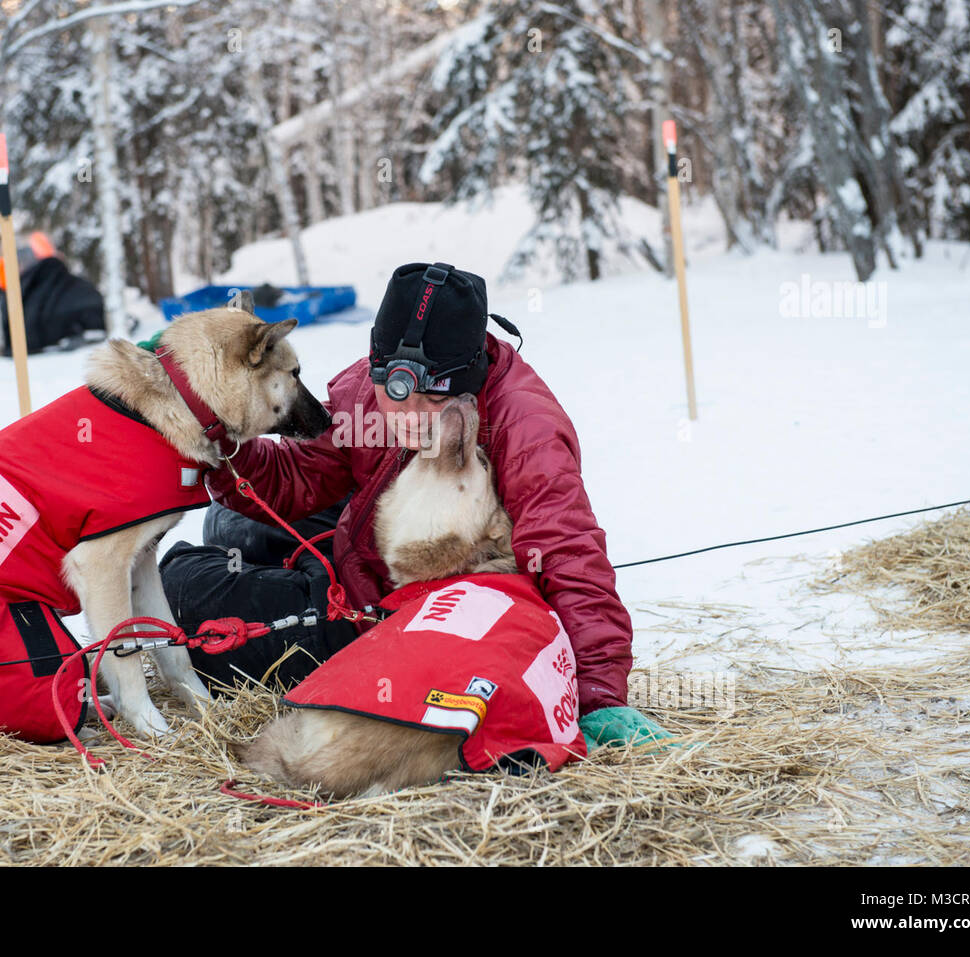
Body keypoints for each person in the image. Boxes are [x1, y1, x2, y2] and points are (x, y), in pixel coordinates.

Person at [159, 262, 670, 750]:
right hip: (368, 541)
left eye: (431, 400)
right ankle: (287, 579)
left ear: (470, 380)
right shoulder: (365, 389)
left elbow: (566, 552)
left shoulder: (526, 426)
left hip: (408, 611)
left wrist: (599, 694)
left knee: (179, 588)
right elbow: (300, 478)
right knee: (230, 524)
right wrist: (224, 438)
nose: (407, 415)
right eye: (393, 392)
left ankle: (303, 611)